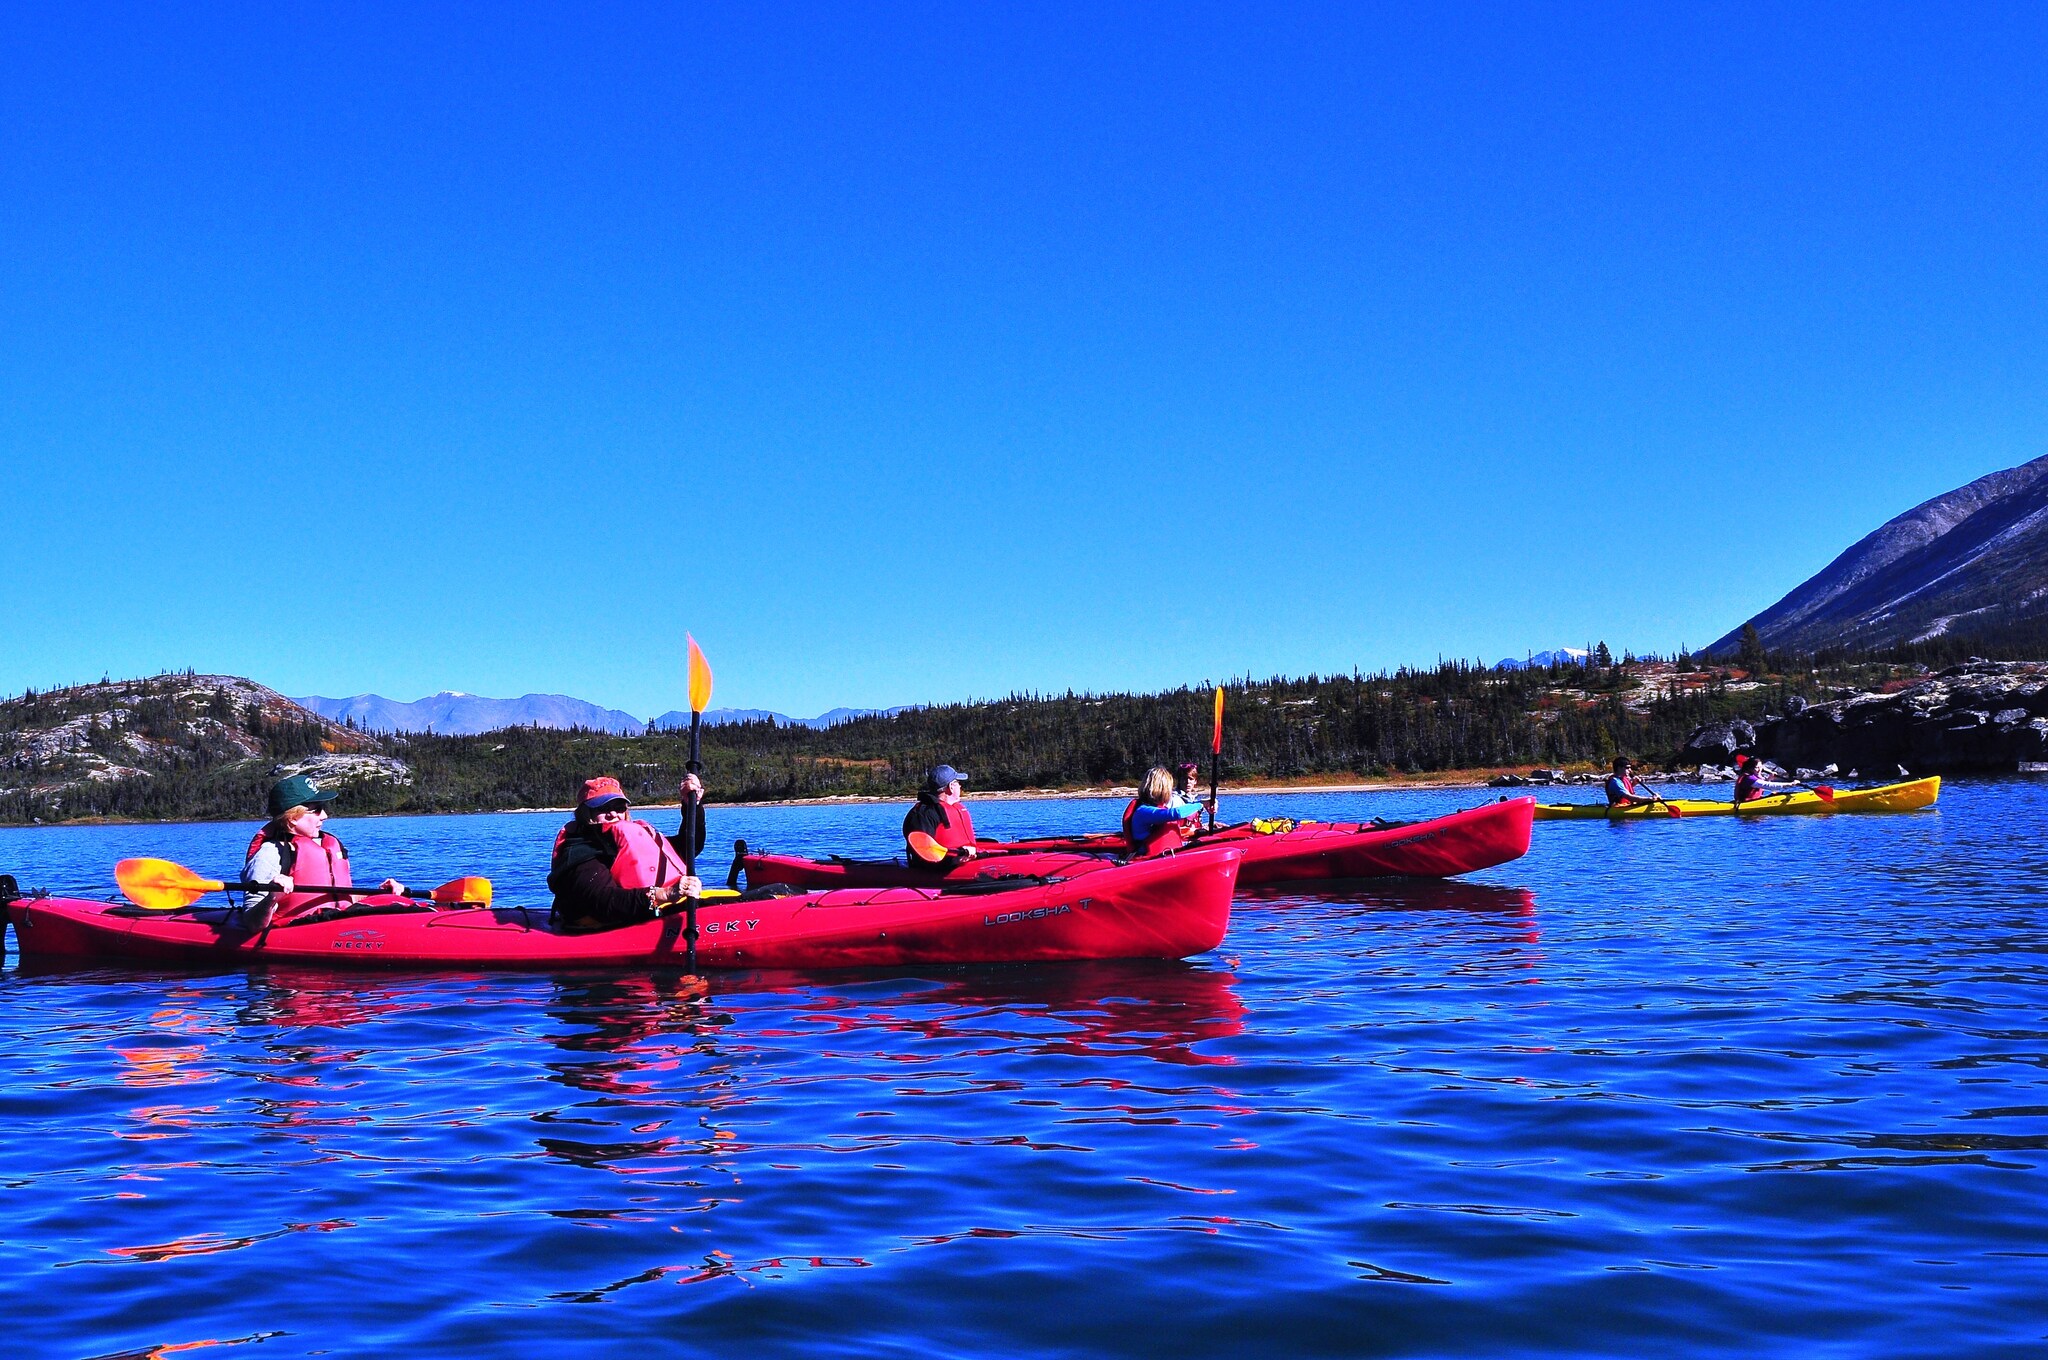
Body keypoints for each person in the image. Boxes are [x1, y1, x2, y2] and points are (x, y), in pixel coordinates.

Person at [241, 773, 406, 930]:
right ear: (292, 817)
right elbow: (252, 923)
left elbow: (339, 900)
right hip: (297, 930)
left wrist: (380, 893)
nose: (325, 815)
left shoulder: (328, 845)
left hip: (336, 923)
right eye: (317, 810)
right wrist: (272, 897)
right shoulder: (269, 854)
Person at [548, 776, 703, 933]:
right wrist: (665, 893)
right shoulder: (580, 850)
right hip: (602, 926)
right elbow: (603, 901)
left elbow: (689, 847)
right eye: (603, 808)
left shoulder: (622, 837)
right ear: (585, 813)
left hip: (650, 912)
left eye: (619, 807)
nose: (613, 814)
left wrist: (691, 805)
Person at [902, 765, 978, 868]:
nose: (960, 786)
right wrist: (954, 861)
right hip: (940, 869)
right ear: (951, 786)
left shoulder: (954, 808)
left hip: (963, 861)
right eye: (958, 783)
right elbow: (922, 854)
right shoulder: (924, 814)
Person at [1123, 765, 1207, 857]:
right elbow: (1177, 813)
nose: (1170, 792)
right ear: (1161, 790)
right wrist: (1201, 804)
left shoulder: (1156, 808)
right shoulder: (1143, 811)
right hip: (1148, 858)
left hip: (1164, 855)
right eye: (1168, 788)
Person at [1174, 761, 1218, 825]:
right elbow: (1183, 810)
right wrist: (1202, 803)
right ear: (1179, 780)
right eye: (1184, 778)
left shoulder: (1193, 799)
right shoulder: (1174, 798)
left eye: (1191, 779)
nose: (1187, 782)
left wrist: (1211, 824)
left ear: (1195, 781)